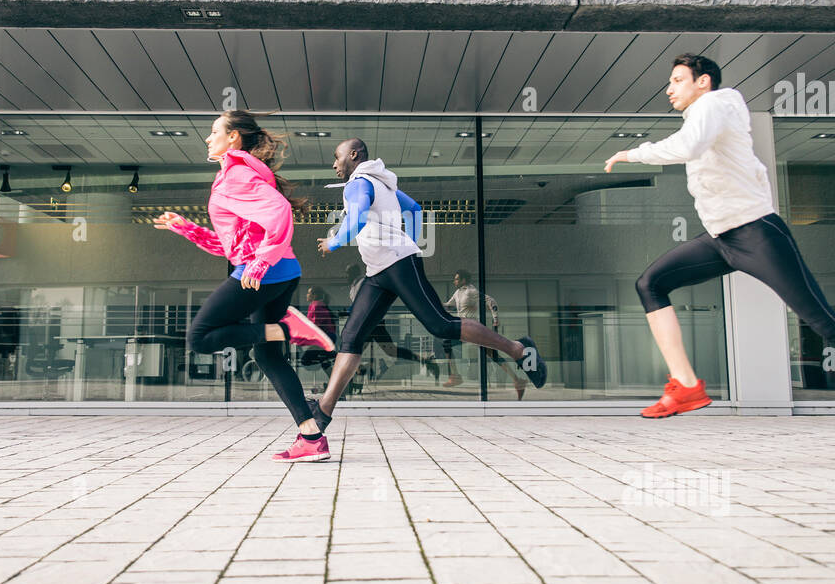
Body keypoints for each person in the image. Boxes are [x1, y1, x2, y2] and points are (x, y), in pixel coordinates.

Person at [604, 54, 835, 464]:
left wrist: (634, 154)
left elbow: (689, 147)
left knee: (824, 322)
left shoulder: (717, 103)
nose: (669, 89)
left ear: (703, 82)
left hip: (758, 233)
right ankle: (685, 384)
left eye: (677, 80)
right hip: (721, 239)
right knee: (650, 283)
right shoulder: (703, 115)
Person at [307, 138, 546, 432]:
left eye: (337, 156)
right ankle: (323, 411)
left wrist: (334, 242)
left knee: (441, 325)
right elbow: (416, 209)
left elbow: (355, 219)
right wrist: (411, 243)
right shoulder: (383, 184)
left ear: (353, 155)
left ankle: (519, 349)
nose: (334, 164)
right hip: (379, 272)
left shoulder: (358, 183)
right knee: (351, 337)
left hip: (396, 264)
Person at [154, 109, 335, 463]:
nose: (208, 138)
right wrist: (185, 227)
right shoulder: (238, 174)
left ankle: (285, 328)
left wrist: (260, 261)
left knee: (200, 338)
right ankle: (311, 438)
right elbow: (231, 244)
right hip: (279, 271)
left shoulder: (236, 174)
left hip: (263, 273)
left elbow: (280, 213)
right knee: (266, 354)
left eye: (214, 131)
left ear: (233, 137)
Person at [442, 269, 528, 399]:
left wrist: (495, 319)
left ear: (464, 280)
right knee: (449, 344)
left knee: (491, 354)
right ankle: (517, 380)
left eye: (457, 279)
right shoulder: (457, 292)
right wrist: (435, 304)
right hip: (464, 328)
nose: (454, 281)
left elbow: (491, 300)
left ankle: (517, 379)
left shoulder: (471, 291)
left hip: (472, 329)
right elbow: (449, 306)